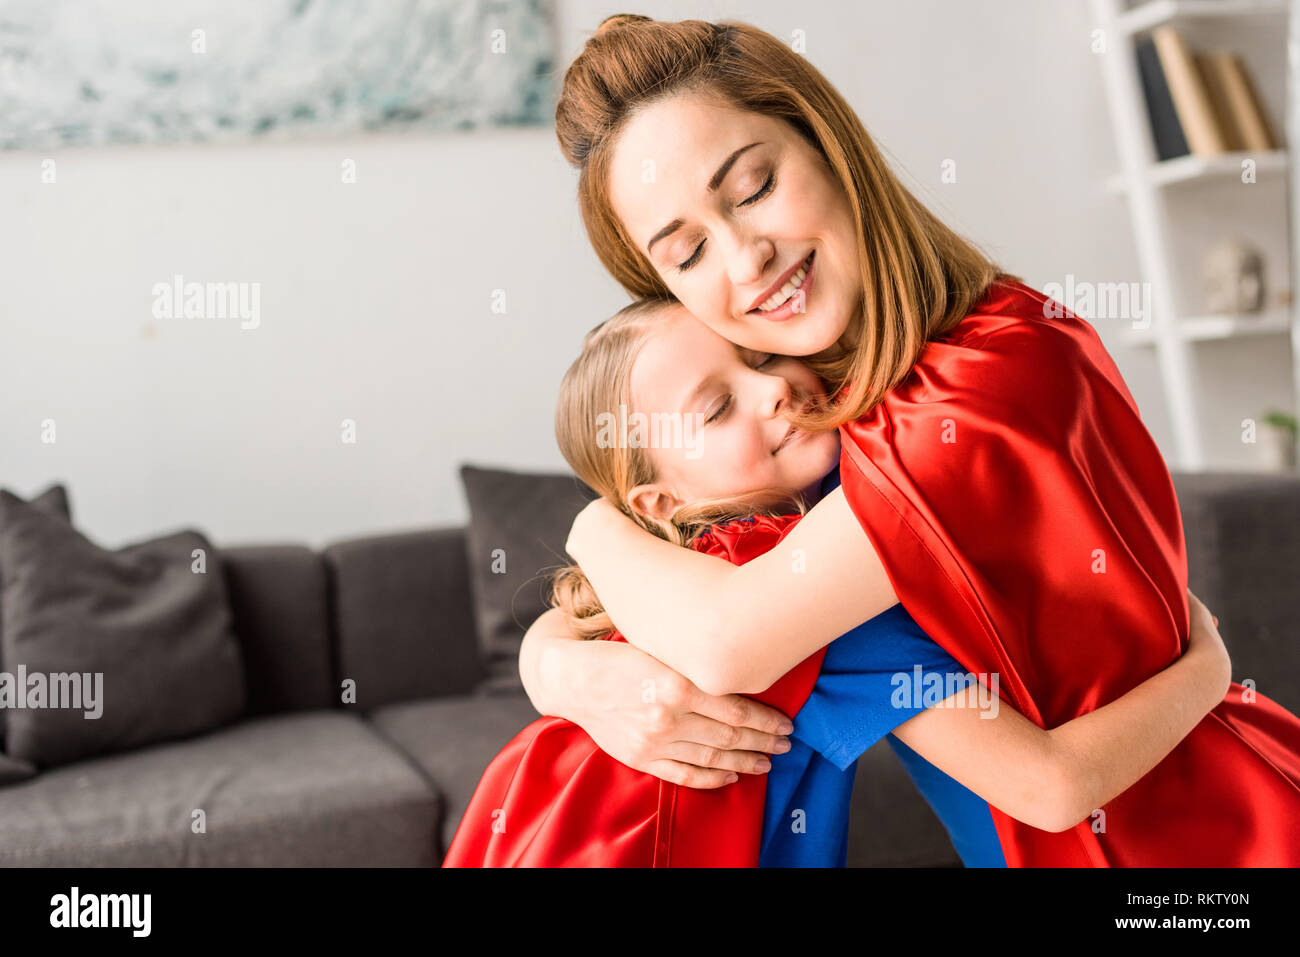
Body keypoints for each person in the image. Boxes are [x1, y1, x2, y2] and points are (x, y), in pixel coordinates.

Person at [520, 14, 1300, 866]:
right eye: (688, 251)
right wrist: (563, 671)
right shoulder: (824, 414)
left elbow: (725, 637)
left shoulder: (983, 385)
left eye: (752, 188)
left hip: (1213, 847)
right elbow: (635, 618)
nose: (745, 259)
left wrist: (592, 525)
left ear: (828, 144)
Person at [445, 299, 1231, 867]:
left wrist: (561, 637)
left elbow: (560, 631)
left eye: (757, 357)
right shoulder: (801, 591)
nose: (772, 390)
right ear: (657, 501)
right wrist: (1210, 665)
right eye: (718, 407)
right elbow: (1052, 787)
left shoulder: (660, 570)